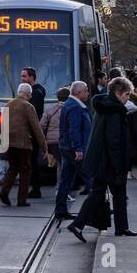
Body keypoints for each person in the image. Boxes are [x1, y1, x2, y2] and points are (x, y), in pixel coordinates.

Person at [68, 76, 137, 241]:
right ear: (119, 93)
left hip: (101, 159)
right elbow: (114, 140)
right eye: (127, 94)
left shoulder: (104, 106)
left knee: (104, 193)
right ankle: (119, 227)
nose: (128, 98)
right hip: (108, 161)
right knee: (111, 193)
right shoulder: (115, 111)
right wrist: (118, 165)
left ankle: (119, 227)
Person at [0, 82, 47, 207]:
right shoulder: (28, 106)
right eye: (30, 95)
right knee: (26, 170)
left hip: (9, 142)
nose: (31, 97)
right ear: (28, 94)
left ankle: (4, 192)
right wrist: (44, 145)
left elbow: (1, 126)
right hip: (23, 143)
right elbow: (36, 128)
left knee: (13, 167)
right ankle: (22, 199)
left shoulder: (8, 104)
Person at [54, 81, 92, 221]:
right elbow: (74, 130)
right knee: (90, 177)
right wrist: (78, 149)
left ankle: (60, 209)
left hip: (67, 148)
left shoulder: (69, 104)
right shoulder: (75, 107)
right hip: (74, 149)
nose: (88, 93)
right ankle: (97, 209)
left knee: (66, 179)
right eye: (86, 90)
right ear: (79, 92)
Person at [20, 67, 47, 199]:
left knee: (31, 161)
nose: (22, 79)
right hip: (30, 132)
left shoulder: (36, 93)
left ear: (32, 77)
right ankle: (32, 187)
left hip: (31, 133)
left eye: (24, 76)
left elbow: (34, 114)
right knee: (29, 161)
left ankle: (35, 188)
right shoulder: (37, 91)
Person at [40, 86, 68, 190]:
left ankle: (60, 188)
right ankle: (61, 188)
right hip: (64, 141)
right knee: (64, 165)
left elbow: (41, 126)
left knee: (61, 164)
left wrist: (44, 142)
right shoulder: (70, 109)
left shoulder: (50, 110)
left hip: (52, 142)